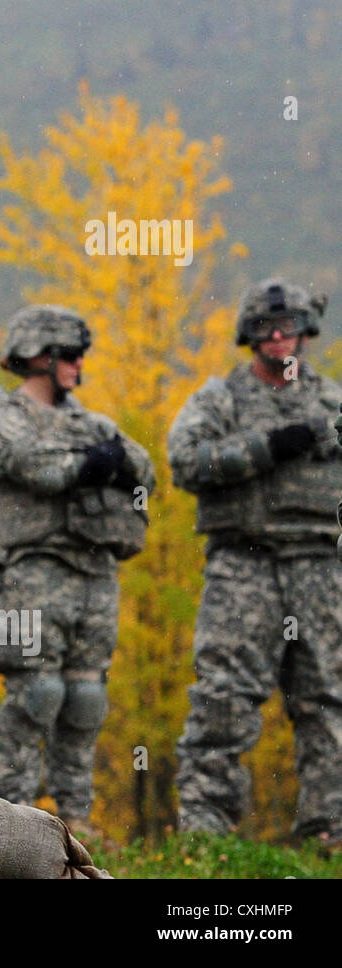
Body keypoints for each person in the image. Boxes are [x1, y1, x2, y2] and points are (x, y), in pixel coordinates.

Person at [169, 278, 342, 847]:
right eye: (268, 327)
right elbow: (188, 462)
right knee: (223, 698)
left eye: (289, 326)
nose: (279, 336)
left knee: (328, 699)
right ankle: (206, 834)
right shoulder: (222, 400)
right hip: (244, 564)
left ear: (304, 333)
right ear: (250, 335)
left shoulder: (332, 404)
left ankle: (330, 832)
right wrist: (271, 445)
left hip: (320, 567)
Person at [0, 304, 153, 838]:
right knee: (36, 694)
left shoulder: (90, 420)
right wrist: (87, 465)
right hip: (32, 571)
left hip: (94, 571)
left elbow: (140, 465)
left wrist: (108, 461)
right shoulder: (4, 415)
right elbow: (31, 466)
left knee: (86, 698)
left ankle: (76, 820)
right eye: (70, 355)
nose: (80, 364)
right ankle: (11, 822)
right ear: (40, 358)